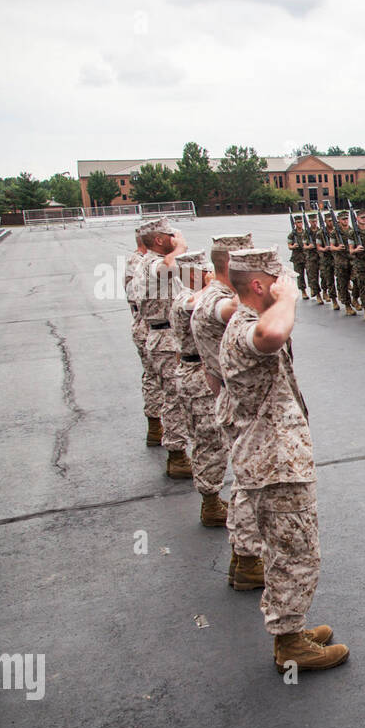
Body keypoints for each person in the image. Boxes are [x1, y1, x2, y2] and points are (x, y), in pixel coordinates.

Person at [218, 247, 347, 673]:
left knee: (286, 549)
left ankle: (292, 629)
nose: (285, 282)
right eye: (278, 277)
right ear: (259, 285)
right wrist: (289, 298)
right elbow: (271, 337)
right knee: (296, 553)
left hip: (273, 459)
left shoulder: (244, 321)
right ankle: (290, 643)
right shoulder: (247, 328)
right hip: (275, 465)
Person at [193, 234, 264, 591]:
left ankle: (243, 557)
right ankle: (249, 560)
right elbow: (261, 325)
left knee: (244, 481)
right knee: (253, 485)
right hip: (244, 405)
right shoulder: (219, 302)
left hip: (231, 397)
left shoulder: (213, 296)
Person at [170, 250, 229, 525]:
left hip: (190, 372)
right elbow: (199, 301)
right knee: (210, 442)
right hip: (198, 377)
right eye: (203, 271)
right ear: (192, 274)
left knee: (205, 439)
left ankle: (211, 498)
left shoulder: (184, 295)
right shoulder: (187, 298)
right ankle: (211, 504)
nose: (208, 274)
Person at [136, 217, 193, 478]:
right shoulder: (153, 263)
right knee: (175, 398)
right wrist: (180, 247)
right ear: (159, 240)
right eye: (171, 236)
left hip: (166, 337)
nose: (176, 239)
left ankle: (174, 448)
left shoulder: (151, 263)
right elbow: (169, 265)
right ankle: (178, 456)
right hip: (165, 339)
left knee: (173, 395)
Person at [126, 228, 163, 444]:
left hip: (144, 324)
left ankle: (156, 428)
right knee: (158, 380)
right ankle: (158, 428)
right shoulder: (141, 263)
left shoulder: (138, 260)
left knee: (153, 378)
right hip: (148, 325)